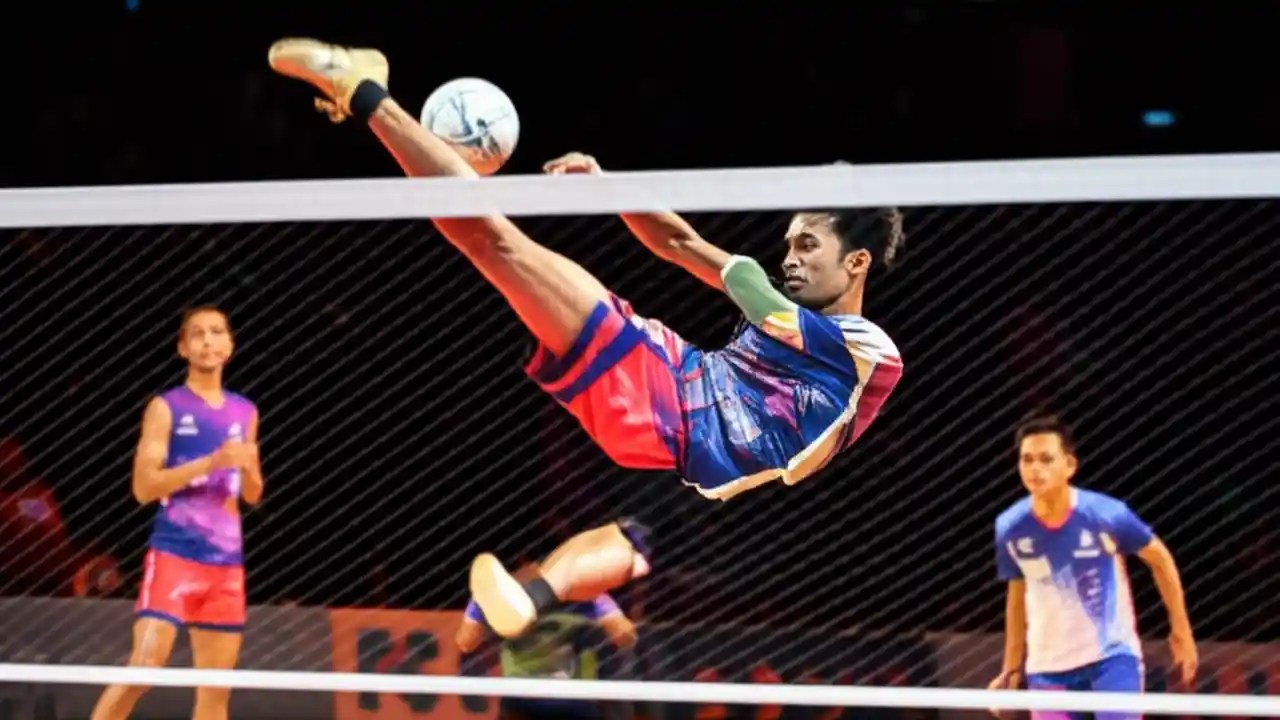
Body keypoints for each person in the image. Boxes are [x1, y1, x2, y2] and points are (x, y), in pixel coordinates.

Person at [269, 38, 903, 634]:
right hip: (662, 422)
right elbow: (679, 243)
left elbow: (752, 295)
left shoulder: (868, 350)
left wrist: (750, 260)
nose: (790, 258)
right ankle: (532, 596)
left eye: (809, 245)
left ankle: (361, 88)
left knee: (495, 241)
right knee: (490, 245)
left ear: (857, 263)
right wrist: (608, 189)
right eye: (789, 243)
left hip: (670, 406)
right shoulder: (789, 324)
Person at [91, 306, 264, 720]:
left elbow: (253, 495)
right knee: (142, 672)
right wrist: (209, 463)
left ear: (229, 345)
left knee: (215, 696)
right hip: (174, 558)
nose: (208, 340)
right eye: (198, 334)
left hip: (226, 567)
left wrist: (247, 468)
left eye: (217, 332)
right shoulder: (165, 408)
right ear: (183, 348)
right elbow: (143, 488)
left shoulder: (246, 412)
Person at [988, 414, 1197, 720]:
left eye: (1046, 459)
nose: (1035, 469)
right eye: (1027, 459)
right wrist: (1011, 666)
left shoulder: (1105, 514)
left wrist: (1181, 631)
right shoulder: (1010, 527)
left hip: (1111, 658)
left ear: (1069, 465)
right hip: (1048, 668)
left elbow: (1161, 559)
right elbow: (1018, 591)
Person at [458, 560, 639, 720]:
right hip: (520, 703)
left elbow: (627, 635)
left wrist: (612, 624)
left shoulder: (586, 594)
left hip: (575, 704)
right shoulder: (496, 596)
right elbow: (465, 643)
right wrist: (481, 607)